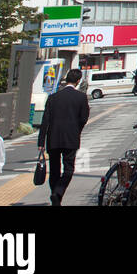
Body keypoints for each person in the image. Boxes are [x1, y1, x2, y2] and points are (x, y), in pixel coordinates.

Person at [38, 67, 90, 205]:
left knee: (54, 169)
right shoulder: (81, 97)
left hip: (53, 137)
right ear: (78, 81)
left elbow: (45, 121)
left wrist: (40, 142)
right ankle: (58, 192)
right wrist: (76, 131)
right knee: (68, 169)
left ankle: (55, 196)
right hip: (71, 137)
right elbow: (83, 118)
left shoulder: (53, 97)